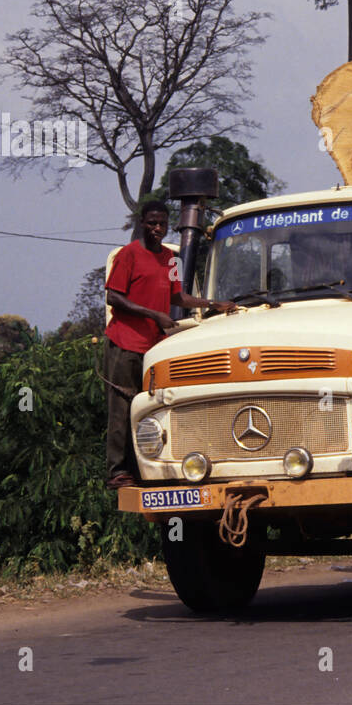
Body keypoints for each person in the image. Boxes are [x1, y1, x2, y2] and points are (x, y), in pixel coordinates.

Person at [103, 200, 236, 489]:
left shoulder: (170, 259)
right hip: (125, 343)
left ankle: (148, 467)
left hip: (153, 348)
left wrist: (214, 304)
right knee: (122, 407)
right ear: (142, 223)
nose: (157, 229)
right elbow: (114, 297)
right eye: (152, 223)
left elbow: (180, 298)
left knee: (151, 407)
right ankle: (118, 472)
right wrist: (153, 314)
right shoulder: (129, 255)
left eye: (162, 223)